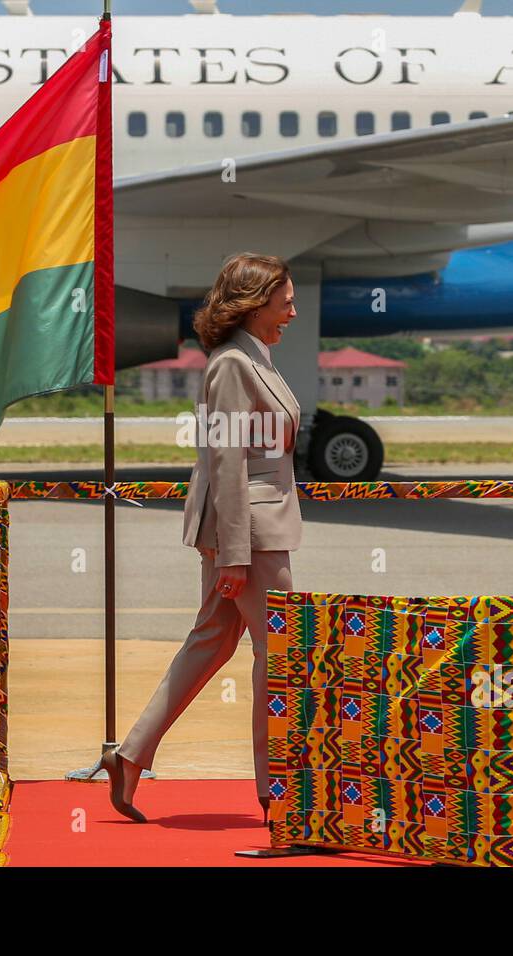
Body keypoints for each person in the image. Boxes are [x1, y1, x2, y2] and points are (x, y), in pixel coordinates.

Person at [102, 253, 302, 826]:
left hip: (249, 529)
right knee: (280, 655)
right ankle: (278, 788)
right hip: (252, 534)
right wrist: (234, 554)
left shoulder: (251, 358)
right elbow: (227, 464)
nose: (292, 306)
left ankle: (131, 755)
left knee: (211, 641)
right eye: (283, 297)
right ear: (254, 300)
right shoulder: (234, 364)